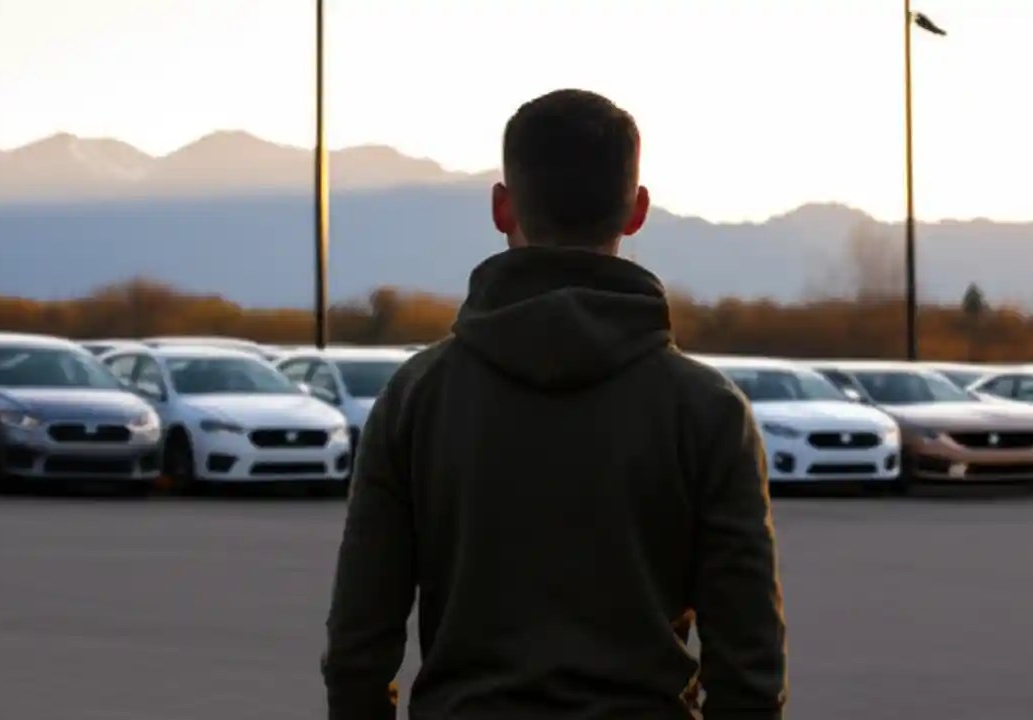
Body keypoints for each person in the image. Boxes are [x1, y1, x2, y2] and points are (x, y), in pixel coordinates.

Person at [322, 89, 787, 720]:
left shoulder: (415, 398)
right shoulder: (708, 412)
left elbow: (359, 644)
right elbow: (749, 665)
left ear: (501, 206)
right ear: (637, 209)